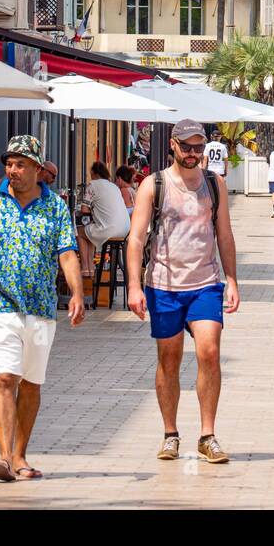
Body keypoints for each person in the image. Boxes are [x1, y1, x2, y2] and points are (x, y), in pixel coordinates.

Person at [0, 135, 85, 483]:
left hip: (42, 307)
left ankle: (19, 455)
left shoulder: (56, 207)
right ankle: (3, 456)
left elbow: (67, 253)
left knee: (31, 383)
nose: (12, 170)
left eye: (20, 164)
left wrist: (77, 292)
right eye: (9, 164)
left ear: (38, 169)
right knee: (5, 377)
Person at [126, 119, 239, 465]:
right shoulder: (153, 185)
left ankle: (208, 435)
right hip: (163, 285)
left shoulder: (213, 183)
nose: (192, 154)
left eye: (197, 148)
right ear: (173, 145)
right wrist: (133, 285)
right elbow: (135, 237)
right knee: (169, 359)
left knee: (209, 352)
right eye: (186, 147)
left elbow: (224, 234)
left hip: (205, 283)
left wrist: (231, 279)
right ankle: (170, 433)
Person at [77, 161, 130, 279]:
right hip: (125, 230)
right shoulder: (113, 186)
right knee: (90, 232)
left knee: (79, 232)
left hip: (111, 230)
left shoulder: (93, 184)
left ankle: (86, 268)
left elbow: (84, 210)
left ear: (94, 173)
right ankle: (91, 268)